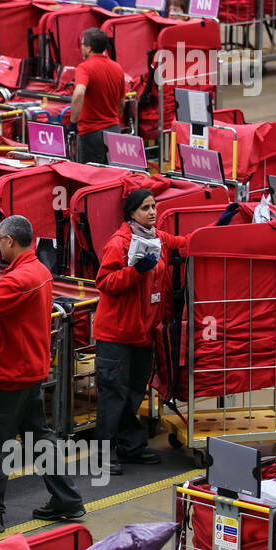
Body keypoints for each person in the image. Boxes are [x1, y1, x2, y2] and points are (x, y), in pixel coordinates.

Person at [0, 215, 86, 533]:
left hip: (10, 375)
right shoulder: (39, 271)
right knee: (41, 438)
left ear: (10, 241)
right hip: (31, 370)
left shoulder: (19, 278)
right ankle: (67, 500)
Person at [94, 189, 188, 475]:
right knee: (113, 395)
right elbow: (105, 282)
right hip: (116, 337)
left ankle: (130, 446)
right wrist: (134, 271)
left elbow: (183, 243)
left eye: (154, 207)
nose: (152, 212)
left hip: (143, 335)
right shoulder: (119, 244)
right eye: (145, 208)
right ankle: (103, 455)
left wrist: (217, 231)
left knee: (134, 392)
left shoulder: (156, 237)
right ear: (131, 213)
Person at [69, 27, 125, 165]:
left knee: (91, 178)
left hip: (91, 133)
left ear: (89, 48)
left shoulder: (84, 67)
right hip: (114, 130)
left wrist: (73, 122)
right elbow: (122, 102)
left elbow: (79, 93)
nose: (81, 48)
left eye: (82, 44)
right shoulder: (117, 68)